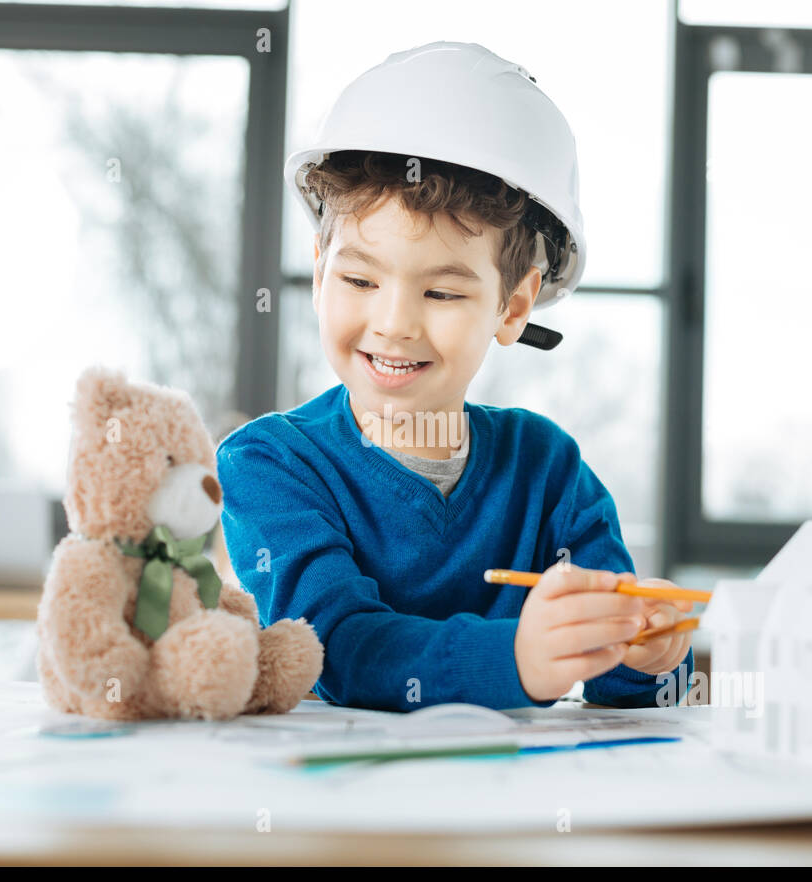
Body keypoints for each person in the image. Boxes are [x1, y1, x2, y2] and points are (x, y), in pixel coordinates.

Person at [216, 41, 695, 711]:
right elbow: (339, 648)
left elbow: (632, 688)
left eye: (441, 294)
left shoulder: (546, 469)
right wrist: (515, 660)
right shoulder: (269, 464)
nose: (394, 323)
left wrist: (650, 651)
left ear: (513, 306)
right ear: (320, 268)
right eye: (359, 278)